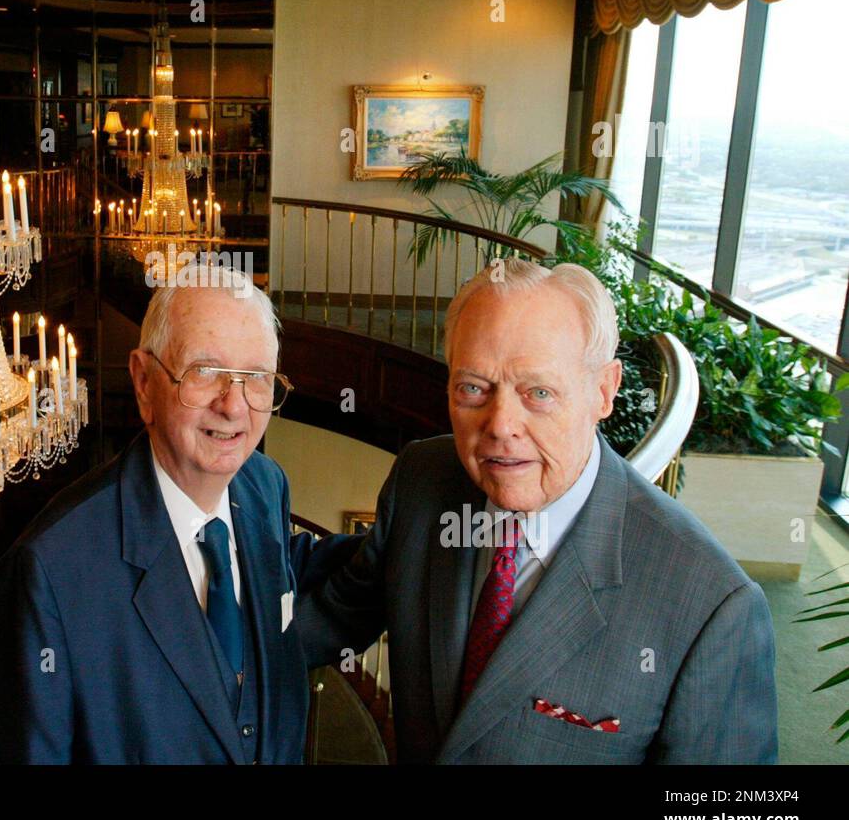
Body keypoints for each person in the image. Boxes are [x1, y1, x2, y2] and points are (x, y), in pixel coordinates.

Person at [297, 258, 778, 764]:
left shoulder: (712, 606)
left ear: (604, 390)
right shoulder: (422, 482)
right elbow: (335, 612)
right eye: (473, 388)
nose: (501, 425)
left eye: (539, 392)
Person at [0, 266, 357, 764]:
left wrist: (415, 537)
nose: (234, 406)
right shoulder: (48, 575)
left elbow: (288, 570)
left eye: (256, 378)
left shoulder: (262, 484)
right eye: (204, 372)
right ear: (144, 382)